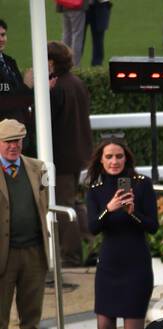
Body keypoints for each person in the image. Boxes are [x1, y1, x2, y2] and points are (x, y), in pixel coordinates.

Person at [86, 139, 158, 329]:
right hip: (109, 267)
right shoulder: (94, 189)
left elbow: (152, 225)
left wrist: (133, 213)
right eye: (109, 157)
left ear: (125, 158)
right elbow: (92, 227)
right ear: (101, 160)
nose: (114, 161)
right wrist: (110, 207)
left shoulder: (141, 183)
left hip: (136, 265)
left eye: (118, 156)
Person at [0, 118, 52, 329]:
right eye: (8, 141)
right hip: (3, 256)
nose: (13, 146)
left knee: (31, 317)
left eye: (18, 140)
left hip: (33, 251)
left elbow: (43, 204)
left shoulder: (37, 167)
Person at [48, 42, 92, 269]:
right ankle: (93, 246)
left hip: (62, 158)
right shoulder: (77, 83)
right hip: (79, 154)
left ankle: (71, 257)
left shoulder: (56, 87)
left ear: (51, 62)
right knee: (76, 203)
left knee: (66, 206)